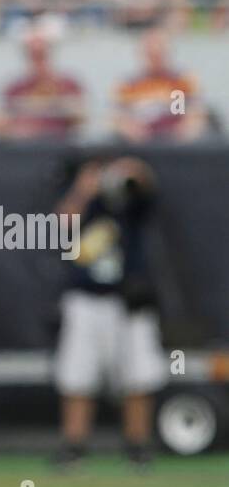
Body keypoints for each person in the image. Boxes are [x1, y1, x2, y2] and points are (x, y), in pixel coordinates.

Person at [53, 157, 165, 467]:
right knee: (77, 374)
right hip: (87, 298)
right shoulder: (83, 200)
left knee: (139, 375)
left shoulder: (131, 203)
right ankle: (74, 445)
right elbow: (60, 224)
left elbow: (147, 186)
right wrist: (84, 190)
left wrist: (129, 171)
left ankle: (138, 444)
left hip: (128, 299)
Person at [0, 25, 84, 140]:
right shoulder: (15, 87)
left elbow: (80, 118)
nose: (38, 61)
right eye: (33, 55)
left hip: (59, 146)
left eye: (41, 55)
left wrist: (56, 100)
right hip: (23, 147)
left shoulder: (67, 84)